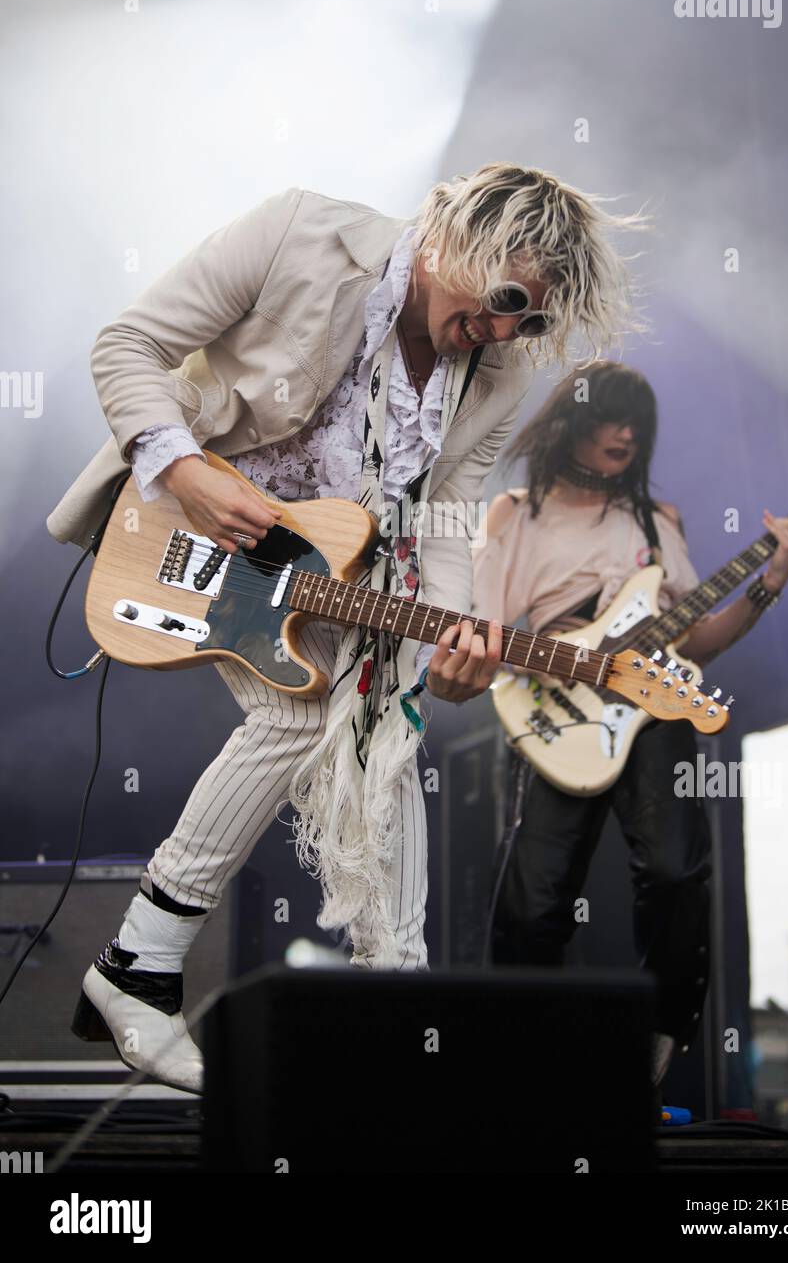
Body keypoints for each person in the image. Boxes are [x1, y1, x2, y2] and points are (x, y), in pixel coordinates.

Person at [47, 164, 644, 1094]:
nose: (504, 333)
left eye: (529, 323)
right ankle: (139, 966)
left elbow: (445, 509)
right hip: (186, 526)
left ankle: (394, 1001)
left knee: (390, 722)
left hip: (342, 570)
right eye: (505, 301)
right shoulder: (300, 234)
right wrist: (185, 471)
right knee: (299, 716)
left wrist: (456, 634)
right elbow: (129, 343)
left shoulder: (501, 372)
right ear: (453, 236)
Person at [470, 361, 788, 1113]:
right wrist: (570, 656)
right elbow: (485, 634)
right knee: (533, 902)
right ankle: (528, 1071)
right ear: (572, 421)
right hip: (560, 705)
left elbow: (697, 643)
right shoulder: (515, 514)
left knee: (677, 870)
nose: (624, 433)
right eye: (609, 418)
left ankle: (659, 1033)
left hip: (652, 706)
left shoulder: (658, 520)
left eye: (636, 423)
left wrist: (770, 581)